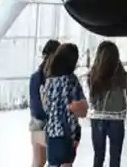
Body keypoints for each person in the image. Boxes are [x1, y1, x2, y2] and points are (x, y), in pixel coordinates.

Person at [42, 43, 88, 167]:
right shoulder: (71, 81)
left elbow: (45, 106)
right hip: (66, 135)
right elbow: (80, 108)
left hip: (51, 135)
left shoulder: (49, 81)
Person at [88, 41, 127, 167]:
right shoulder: (123, 75)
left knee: (98, 156)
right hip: (117, 118)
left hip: (97, 118)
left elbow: (91, 98)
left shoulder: (92, 75)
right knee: (115, 157)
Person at [30, 39, 61, 167]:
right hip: (41, 123)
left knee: (43, 161)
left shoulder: (58, 77)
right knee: (40, 161)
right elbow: (36, 106)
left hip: (43, 123)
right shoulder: (38, 77)